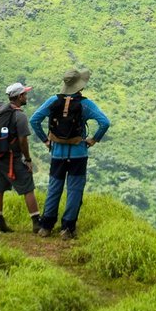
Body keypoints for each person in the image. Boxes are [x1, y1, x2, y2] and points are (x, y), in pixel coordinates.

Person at [29, 68, 111, 239]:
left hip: (57, 153)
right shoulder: (85, 104)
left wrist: (46, 140)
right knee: (74, 189)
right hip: (78, 154)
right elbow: (104, 122)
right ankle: (67, 229)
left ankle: (46, 227)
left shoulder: (53, 101)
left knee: (54, 188)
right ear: (80, 86)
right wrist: (93, 140)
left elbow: (34, 119)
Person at [0, 81, 42, 233]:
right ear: (20, 97)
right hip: (11, 158)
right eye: (25, 94)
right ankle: (37, 223)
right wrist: (27, 159)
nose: (27, 96)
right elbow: (22, 140)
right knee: (28, 187)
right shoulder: (19, 116)